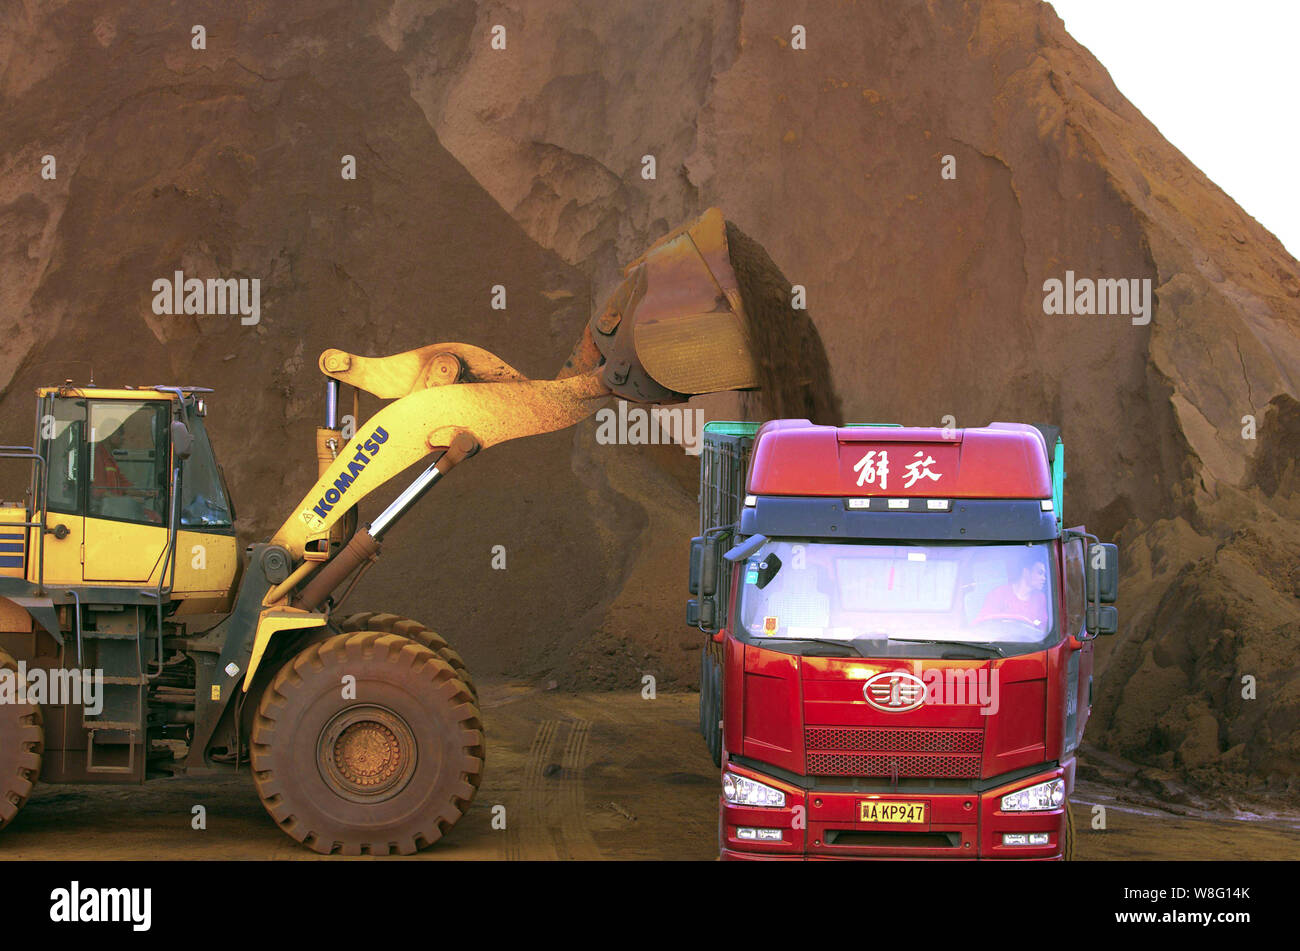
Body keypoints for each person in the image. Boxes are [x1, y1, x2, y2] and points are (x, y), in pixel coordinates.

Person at [975, 550, 1049, 630]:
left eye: (1045, 575)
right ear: (1026, 572)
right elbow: (983, 625)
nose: (1044, 578)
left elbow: (1041, 628)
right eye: (1040, 573)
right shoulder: (998, 594)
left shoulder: (1040, 599)